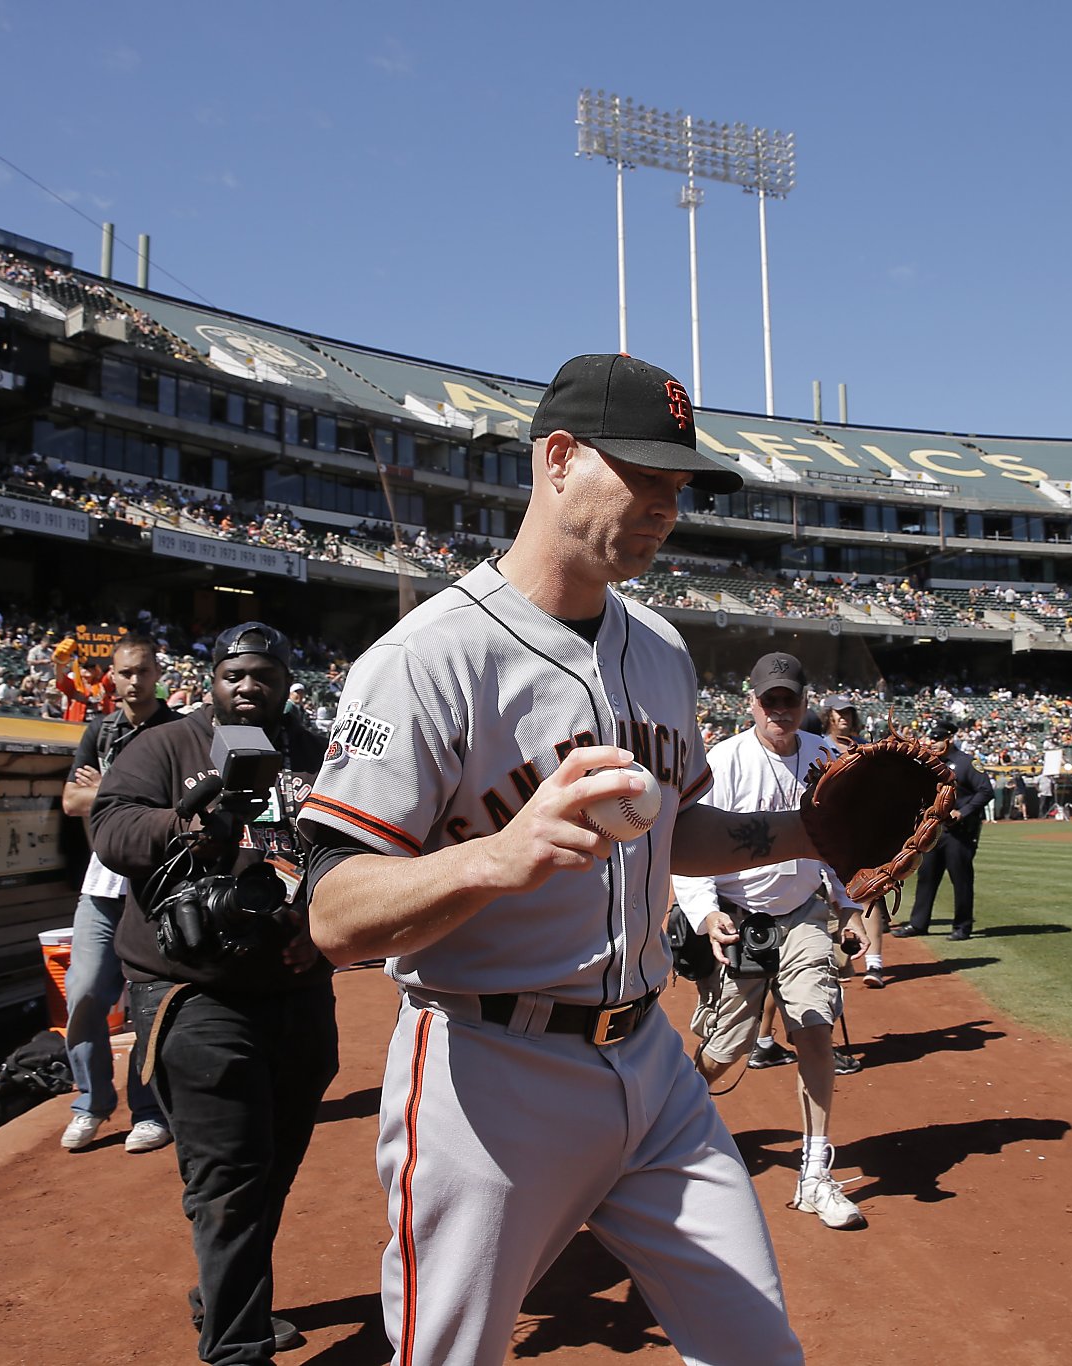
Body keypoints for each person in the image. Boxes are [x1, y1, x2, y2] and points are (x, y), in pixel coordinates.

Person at [300, 353, 805, 1366]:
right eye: (645, 477)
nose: (668, 505)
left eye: (678, 486)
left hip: (652, 1065)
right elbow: (331, 911)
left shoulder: (660, 648)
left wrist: (812, 833)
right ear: (559, 459)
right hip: (488, 1074)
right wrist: (498, 856)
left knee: (758, 1352)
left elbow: (679, 837)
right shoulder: (425, 659)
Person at [91, 622, 336, 1365]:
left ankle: (220, 1295)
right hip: (193, 993)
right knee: (229, 1174)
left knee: (275, 1162)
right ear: (211, 680)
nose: (249, 687)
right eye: (235, 675)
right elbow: (109, 827)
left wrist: (321, 918)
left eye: (264, 675)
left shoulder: (318, 754)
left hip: (296, 985)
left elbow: (359, 842)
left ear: (288, 684)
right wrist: (185, 824)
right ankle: (237, 1348)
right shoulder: (165, 746)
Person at [674, 652, 870, 1231]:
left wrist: (851, 907)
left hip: (805, 912)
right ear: (752, 703)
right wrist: (708, 914)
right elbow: (689, 848)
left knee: (814, 1026)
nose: (780, 709)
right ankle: (667, 1132)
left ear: (805, 703)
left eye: (790, 699)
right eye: (770, 700)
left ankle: (814, 1173)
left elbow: (842, 845)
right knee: (723, 1051)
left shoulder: (829, 760)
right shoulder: (725, 761)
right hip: (740, 916)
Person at [57, 635, 174, 1155]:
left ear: (157, 673)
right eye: (125, 672)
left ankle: (149, 1110)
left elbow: (177, 804)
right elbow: (69, 801)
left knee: (150, 1002)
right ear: (113, 675)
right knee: (83, 992)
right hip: (101, 886)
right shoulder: (99, 730)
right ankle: (91, 1102)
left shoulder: (177, 730)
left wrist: (106, 789)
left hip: (155, 885)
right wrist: (126, 794)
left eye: (143, 671)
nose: (134, 681)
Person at [895, 721, 996, 941]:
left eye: (936, 739)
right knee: (926, 877)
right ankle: (918, 924)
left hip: (959, 833)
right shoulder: (930, 764)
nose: (932, 743)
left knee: (961, 880)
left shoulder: (967, 763)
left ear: (949, 739)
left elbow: (986, 790)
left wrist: (963, 811)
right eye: (930, 739)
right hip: (934, 831)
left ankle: (962, 927)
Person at [820, 693, 887, 988]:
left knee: (870, 895)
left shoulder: (865, 747)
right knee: (827, 897)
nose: (844, 717)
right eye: (838, 712)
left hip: (860, 831)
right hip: (824, 834)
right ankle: (839, 960)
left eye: (848, 712)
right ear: (828, 716)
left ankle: (875, 964)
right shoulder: (815, 746)